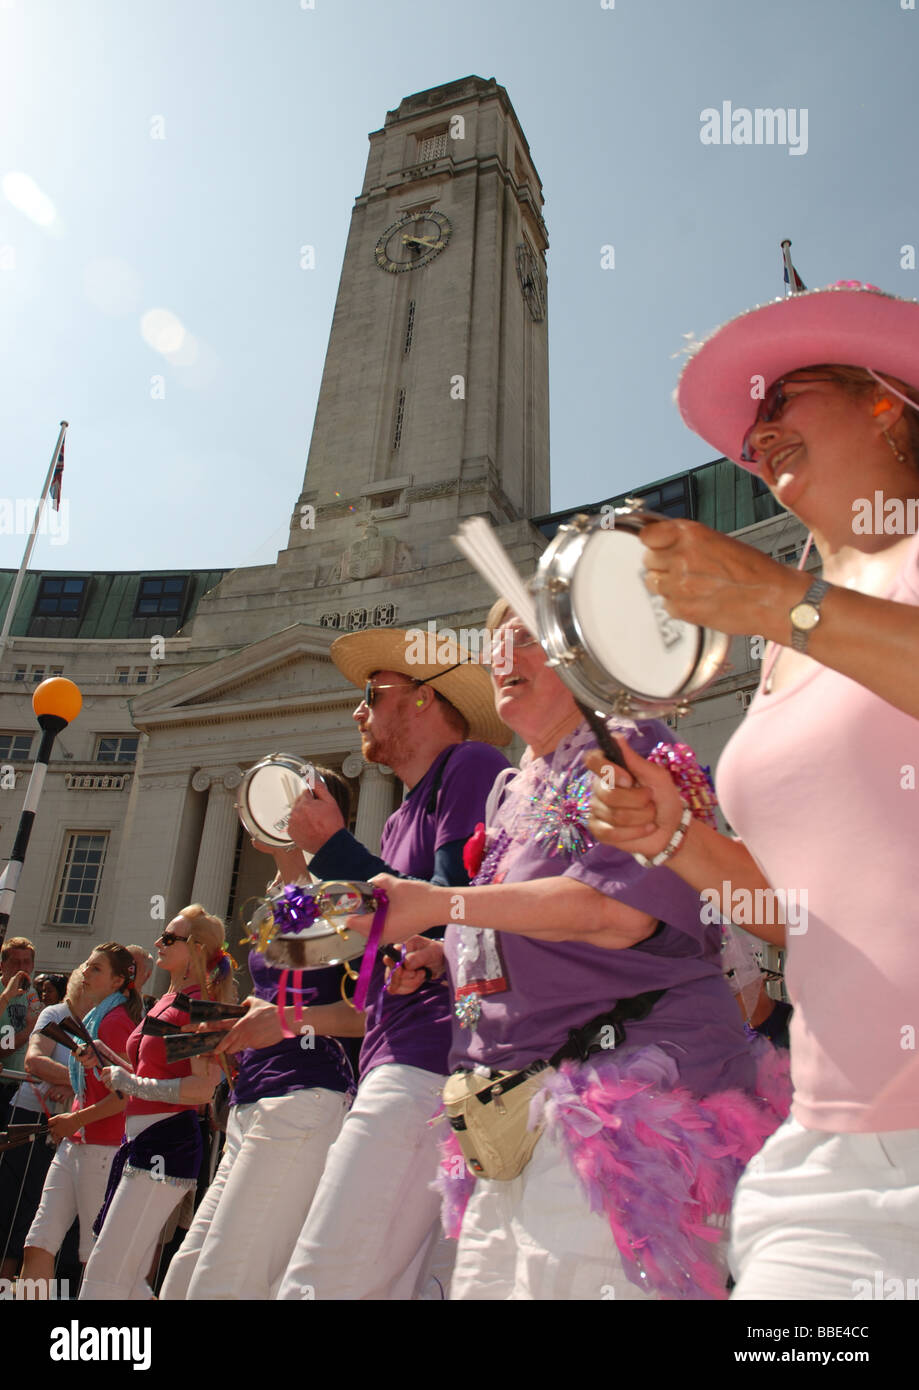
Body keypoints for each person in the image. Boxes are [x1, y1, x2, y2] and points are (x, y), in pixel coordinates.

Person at [587, 280, 919, 1300]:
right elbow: (796, 916)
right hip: (830, 1145)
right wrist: (679, 837)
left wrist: (787, 602)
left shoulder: (799, 613)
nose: (758, 429)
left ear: (884, 399)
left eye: (787, 398)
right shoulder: (781, 651)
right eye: (752, 417)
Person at [346, 607, 787, 1301]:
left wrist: (440, 905)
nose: (501, 653)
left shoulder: (626, 750)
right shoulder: (509, 787)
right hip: (508, 1117)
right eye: (495, 640)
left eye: (525, 637)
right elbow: (518, 914)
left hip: (621, 1106)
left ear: (588, 656)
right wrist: (440, 950)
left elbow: (616, 915)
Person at [220, 629, 510, 1300]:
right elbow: (405, 928)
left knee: (318, 1281)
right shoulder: (399, 817)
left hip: (428, 1058)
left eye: (372, 695)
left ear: (421, 701)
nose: (358, 712)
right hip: (399, 1057)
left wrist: (333, 850)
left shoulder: (469, 765)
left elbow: (448, 910)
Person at [160, 768, 358, 1301]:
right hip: (253, 1102)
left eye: (286, 798)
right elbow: (292, 1000)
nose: (263, 804)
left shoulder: (337, 897)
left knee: (221, 1284)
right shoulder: (279, 899)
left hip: (303, 1099)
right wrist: (246, 1017)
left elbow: (370, 1010)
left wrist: (287, 1019)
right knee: (184, 1281)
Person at [78, 905, 232, 1300]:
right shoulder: (171, 998)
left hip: (166, 1143)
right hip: (145, 1141)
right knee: (125, 1278)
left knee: (106, 1271)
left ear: (195, 948)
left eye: (168, 938)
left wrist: (128, 1080)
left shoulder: (200, 1005)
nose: (157, 944)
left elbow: (201, 1089)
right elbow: (150, 1071)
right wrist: (106, 1060)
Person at [21, 943, 140, 1296]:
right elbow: (92, 1088)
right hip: (76, 1146)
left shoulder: (117, 1021)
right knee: (37, 1242)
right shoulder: (94, 1017)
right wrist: (75, 1119)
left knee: (95, 1257)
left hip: (101, 1151)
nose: (85, 971)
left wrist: (75, 1120)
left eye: (96, 968)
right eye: (87, 965)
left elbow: (123, 1096)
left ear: (119, 980)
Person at [0, 956, 75, 1278]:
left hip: (66, 1128)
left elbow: (110, 1074)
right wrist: (76, 1081)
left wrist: (72, 1088)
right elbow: (34, 1062)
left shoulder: (103, 1018)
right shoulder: (53, 1014)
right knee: (8, 1206)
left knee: (34, 1217)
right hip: (24, 1112)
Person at [0, 938, 41, 1131]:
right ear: (2, 965)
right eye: (15, 962)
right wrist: (28, 1031)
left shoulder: (31, 994)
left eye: (26, 962)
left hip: (22, 1090)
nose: (21, 967)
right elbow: (3, 1050)